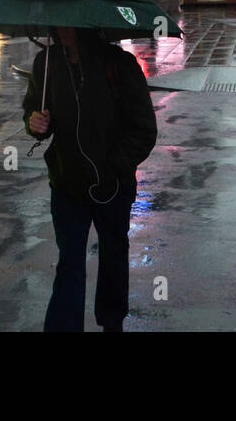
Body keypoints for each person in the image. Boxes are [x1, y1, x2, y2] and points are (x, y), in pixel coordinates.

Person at [23, 26, 157, 332]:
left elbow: (144, 129)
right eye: (58, 22)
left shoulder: (118, 64)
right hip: (67, 183)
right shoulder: (46, 63)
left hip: (112, 188)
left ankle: (112, 322)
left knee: (113, 257)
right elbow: (32, 110)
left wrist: (113, 168)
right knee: (70, 262)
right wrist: (35, 122)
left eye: (71, 22)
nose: (64, 28)